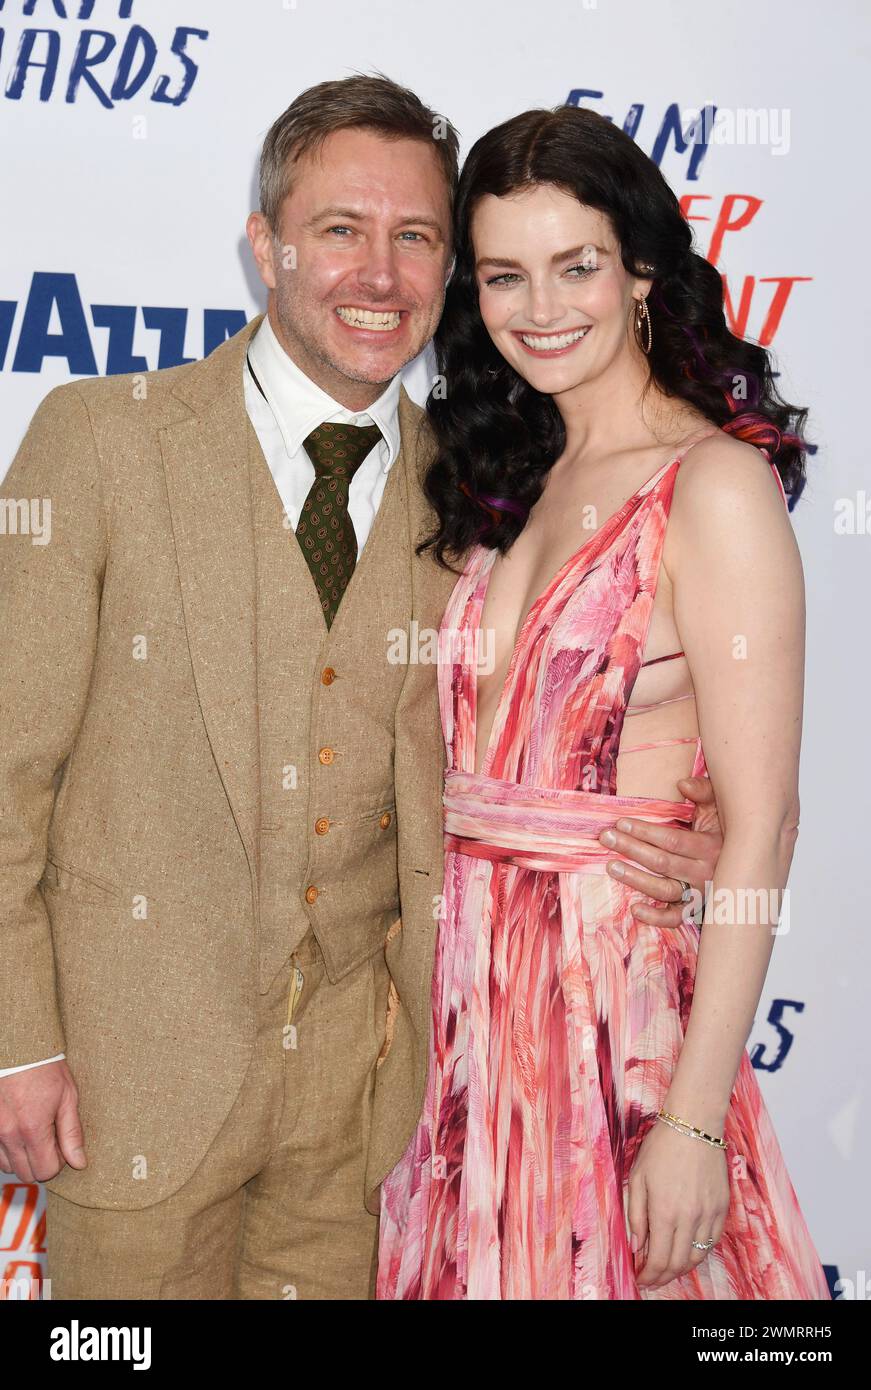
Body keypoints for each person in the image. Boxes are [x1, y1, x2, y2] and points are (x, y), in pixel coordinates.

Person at [0, 77, 722, 1300]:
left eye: (416, 239)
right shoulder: (103, 439)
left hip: (369, 1115)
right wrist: (21, 1043)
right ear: (266, 244)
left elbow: (550, 724)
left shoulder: (488, 489)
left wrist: (666, 817)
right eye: (340, 231)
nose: (377, 275)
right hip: (125, 1092)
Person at [376, 104, 830, 1300]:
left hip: (618, 1030)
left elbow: (763, 821)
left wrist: (687, 1125)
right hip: (464, 1025)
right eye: (505, 276)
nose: (543, 309)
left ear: (638, 269)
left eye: (576, 266)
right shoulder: (507, 474)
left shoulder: (715, 485)